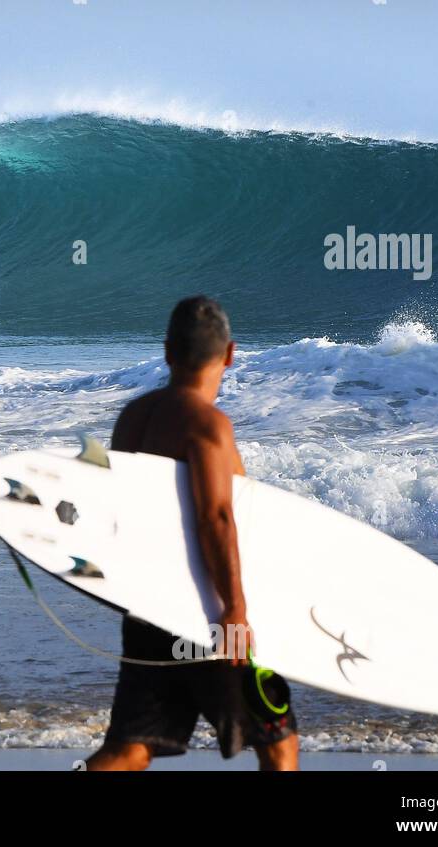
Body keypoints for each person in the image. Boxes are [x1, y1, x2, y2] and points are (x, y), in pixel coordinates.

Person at [85, 295, 299, 772]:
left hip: (148, 606)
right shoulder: (208, 424)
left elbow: (123, 514)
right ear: (230, 354)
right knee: (278, 743)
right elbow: (215, 518)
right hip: (206, 612)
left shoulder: (132, 418)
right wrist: (236, 610)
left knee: (131, 749)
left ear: (167, 352)